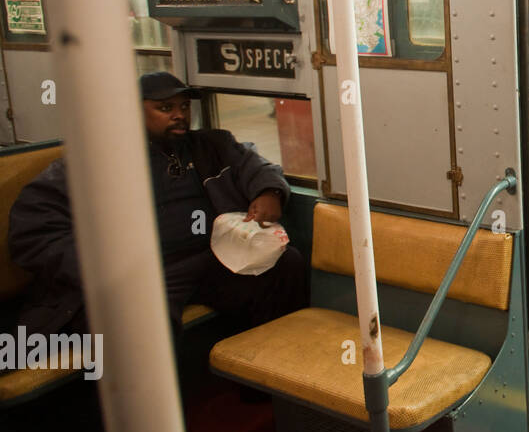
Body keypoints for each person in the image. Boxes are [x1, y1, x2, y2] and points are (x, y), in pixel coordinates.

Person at [7, 72, 309, 337]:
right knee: (141, 320)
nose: (179, 115)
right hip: (148, 273)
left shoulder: (209, 146)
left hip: (211, 257)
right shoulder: (94, 163)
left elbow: (255, 165)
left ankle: (260, 383)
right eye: (165, 108)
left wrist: (269, 192)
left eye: (184, 107)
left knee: (285, 264)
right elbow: (33, 229)